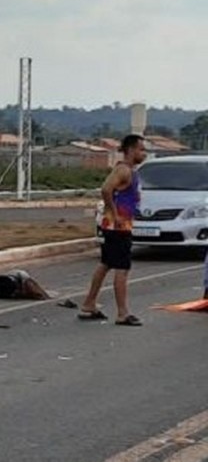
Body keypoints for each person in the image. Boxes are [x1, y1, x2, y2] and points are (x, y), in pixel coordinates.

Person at [79, 133, 147, 326]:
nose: (144, 154)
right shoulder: (123, 170)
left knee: (106, 263)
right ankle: (122, 313)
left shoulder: (131, 172)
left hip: (115, 225)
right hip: (118, 227)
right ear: (131, 150)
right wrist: (113, 212)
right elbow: (106, 189)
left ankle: (88, 305)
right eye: (141, 149)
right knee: (122, 268)